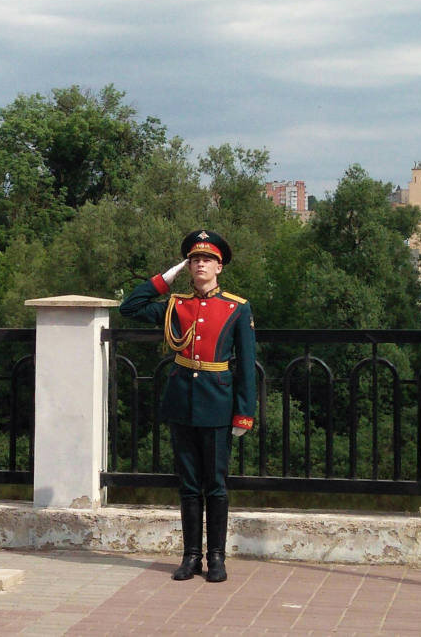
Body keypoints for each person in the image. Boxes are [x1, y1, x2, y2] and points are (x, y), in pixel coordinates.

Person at [119, 229, 256, 583]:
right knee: (189, 485)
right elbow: (129, 307)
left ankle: (217, 558)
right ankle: (191, 556)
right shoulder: (176, 304)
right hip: (182, 401)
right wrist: (165, 279)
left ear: (219, 267)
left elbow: (247, 362)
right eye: (195, 260)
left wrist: (244, 411)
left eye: (207, 260)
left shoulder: (237, 308)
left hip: (218, 403)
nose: (200, 265)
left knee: (216, 484)